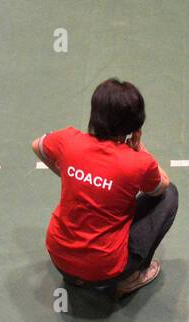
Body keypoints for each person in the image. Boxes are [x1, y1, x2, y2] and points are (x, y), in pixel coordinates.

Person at [32, 77, 176, 296]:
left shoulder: (68, 140)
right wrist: (140, 149)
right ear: (133, 126)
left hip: (59, 259)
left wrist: (68, 175)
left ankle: (76, 280)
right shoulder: (137, 163)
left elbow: (37, 145)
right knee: (169, 196)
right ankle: (130, 278)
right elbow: (161, 186)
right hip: (104, 271)